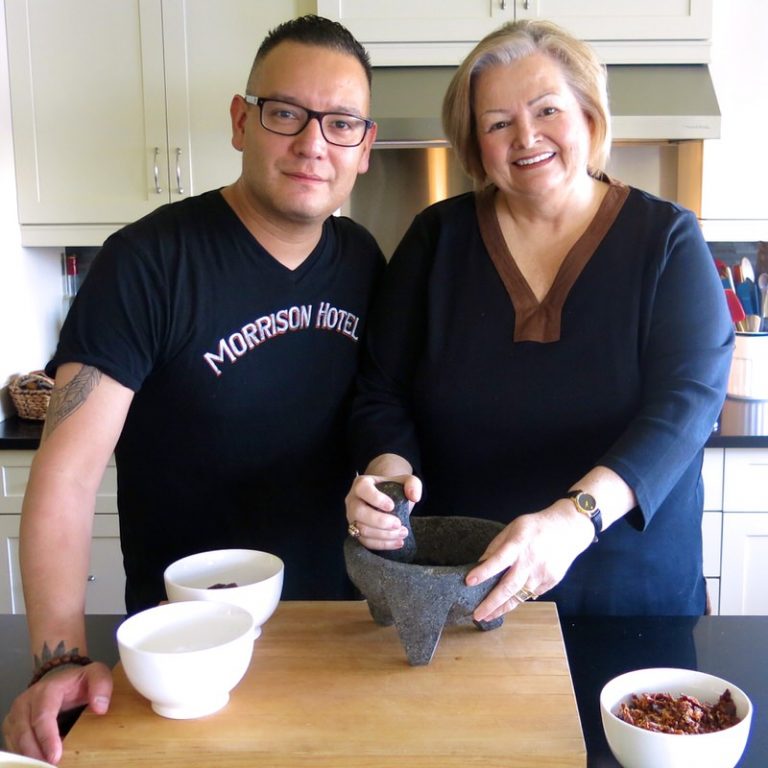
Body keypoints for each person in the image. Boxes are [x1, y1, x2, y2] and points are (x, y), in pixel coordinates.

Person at [3, 14, 382, 764]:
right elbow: (67, 474)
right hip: (184, 654)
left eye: (341, 124)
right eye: (286, 115)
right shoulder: (147, 263)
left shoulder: (365, 261)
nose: (313, 144)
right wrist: (60, 661)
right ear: (242, 122)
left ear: (364, 148)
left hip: (338, 635)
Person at [345, 20, 733, 625]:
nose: (526, 136)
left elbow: (687, 406)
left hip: (628, 597)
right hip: (464, 592)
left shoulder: (666, 241)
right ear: (476, 144)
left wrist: (573, 518)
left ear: (587, 116)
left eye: (547, 109)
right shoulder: (434, 241)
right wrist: (389, 477)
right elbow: (381, 390)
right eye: (498, 122)